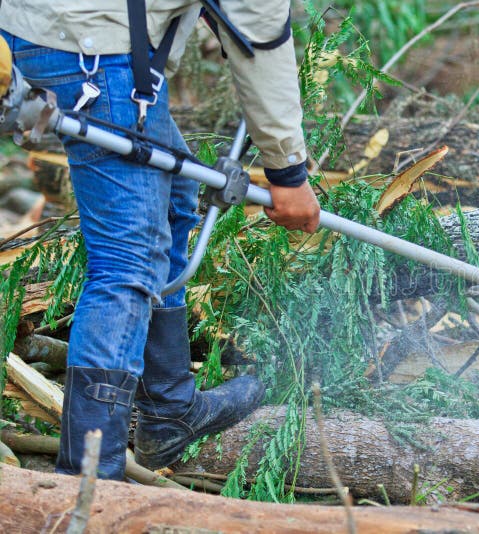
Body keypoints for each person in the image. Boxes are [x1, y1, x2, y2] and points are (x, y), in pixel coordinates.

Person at [0, 0, 320, 479]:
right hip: (94, 53)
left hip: (37, 28)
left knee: (174, 192)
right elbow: (256, 27)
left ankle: (168, 407)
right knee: (127, 265)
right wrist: (288, 170)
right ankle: (88, 483)